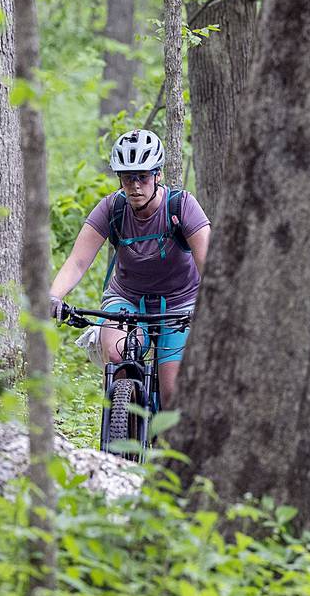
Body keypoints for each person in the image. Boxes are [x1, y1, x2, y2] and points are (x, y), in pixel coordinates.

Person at [48, 129, 211, 410]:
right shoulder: (113, 208)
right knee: (118, 357)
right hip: (127, 301)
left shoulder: (181, 206)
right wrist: (53, 298)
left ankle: (167, 449)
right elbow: (77, 261)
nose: (135, 185)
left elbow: (209, 263)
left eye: (143, 177)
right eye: (127, 177)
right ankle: (120, 430)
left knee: (173, 392)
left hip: (180, 304)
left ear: (157, 175)